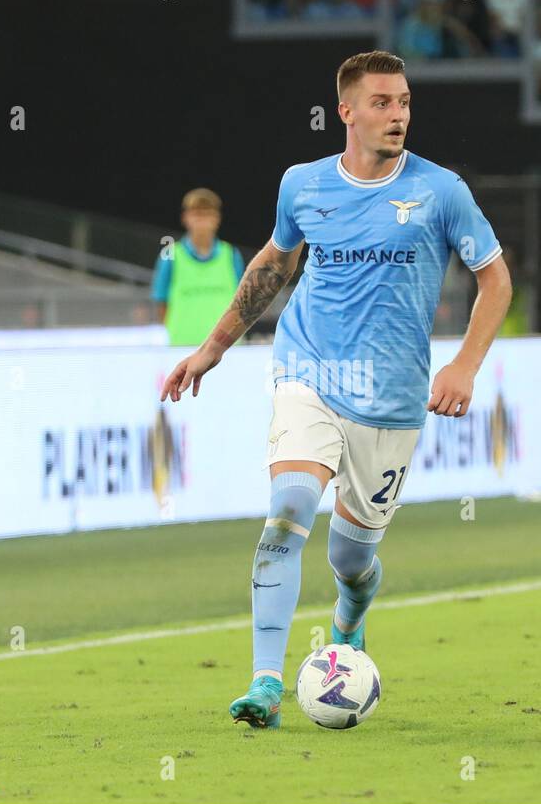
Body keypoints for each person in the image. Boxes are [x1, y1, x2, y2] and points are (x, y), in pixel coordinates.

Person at [159, 50, 512, 729]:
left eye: (404, 102)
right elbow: (271, 266)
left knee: (351, 557)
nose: (398, 115)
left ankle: (351, 617)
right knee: (287, 513)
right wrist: (211, 349)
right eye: (382, 102)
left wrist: (465, 365)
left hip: (393, 400)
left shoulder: (441, 192)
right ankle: (265, 683)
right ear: (346, 111)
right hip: (309, 374)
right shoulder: (303, 185)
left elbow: (495, 279)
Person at [151, 188, 244, 346]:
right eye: (196, 214)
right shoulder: (171, 255)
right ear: (185, 217)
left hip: (226, 349)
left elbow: (243, 301)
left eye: (207, 214)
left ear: (217, 218)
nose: (202, 220)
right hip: (182, 348)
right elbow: (161, 302)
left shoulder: (231, 254)